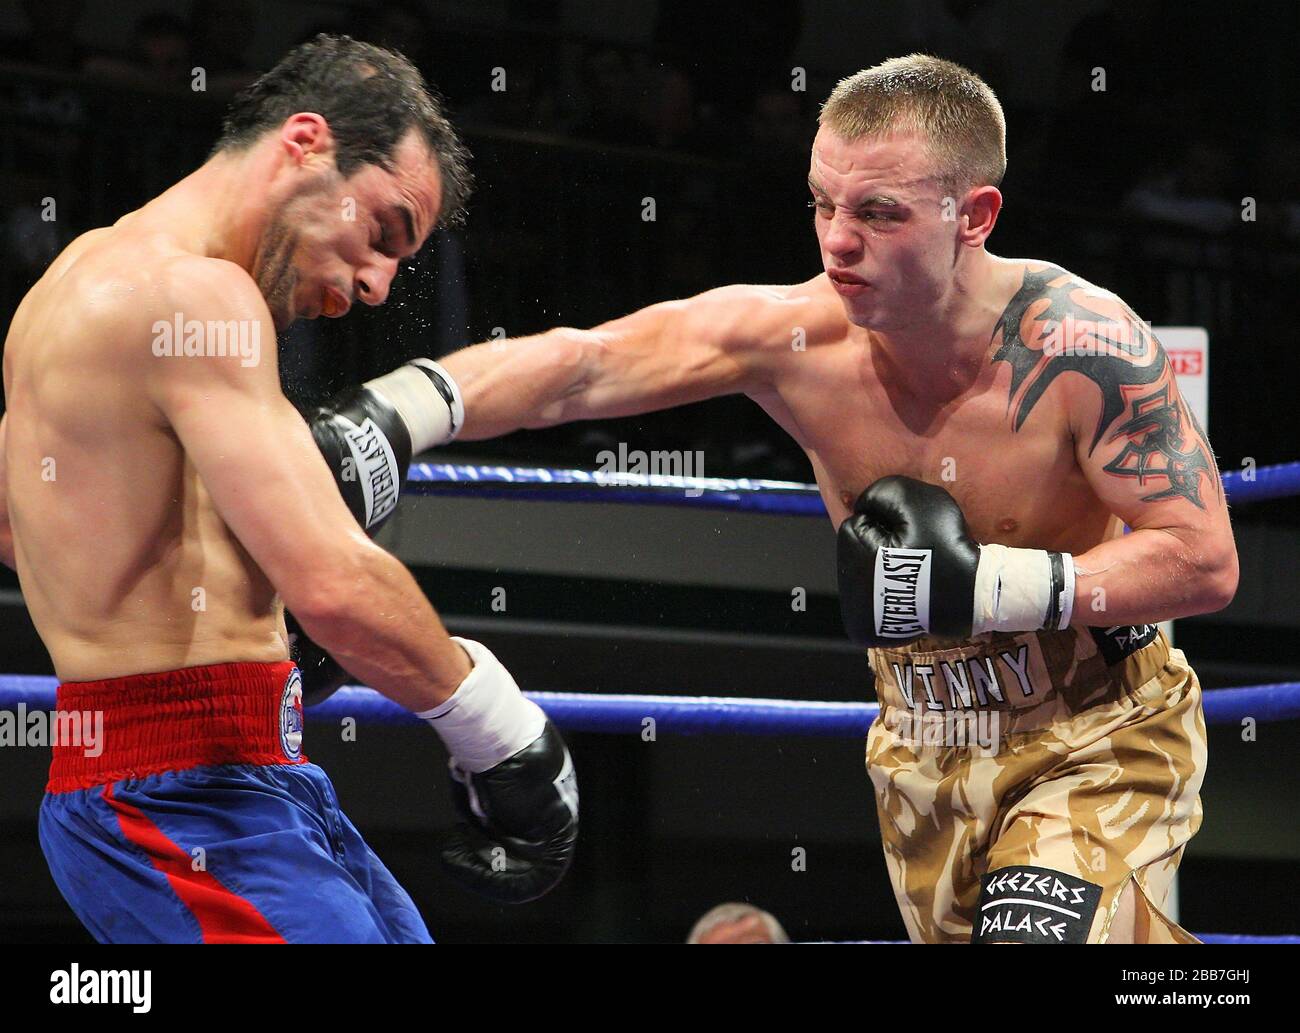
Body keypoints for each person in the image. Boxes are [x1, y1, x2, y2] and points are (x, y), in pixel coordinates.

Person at [428, 55, 1238, 943]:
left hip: (1095, 731)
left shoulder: (1082, 345)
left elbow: (1203, 559)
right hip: (920, 746)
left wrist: (993, 584)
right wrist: (394, 413)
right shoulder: (794, 339)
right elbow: (584, 367)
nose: (837, 240)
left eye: (878, 212)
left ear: (975, 216)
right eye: (823, 203)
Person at [0, 35, 577, 944]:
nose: (380, 284)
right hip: (182, 797)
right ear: (306, 141)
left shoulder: (69, 289)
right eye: (383, 232)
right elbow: (337, 585)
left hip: (236, 778)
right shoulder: (198, 299)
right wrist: (498, 727)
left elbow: (20, 528)